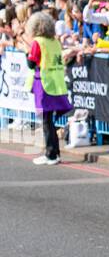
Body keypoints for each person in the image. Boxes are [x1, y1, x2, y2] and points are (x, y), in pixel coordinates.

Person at [25, 9, 72, 165]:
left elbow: (31, 64)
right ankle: (55, 153)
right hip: (56, 83)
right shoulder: (55, 41)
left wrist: (27, 52)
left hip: (44, 83)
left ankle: (51, 154)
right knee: (50, 120)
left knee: (46, 121)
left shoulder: (38, 42)